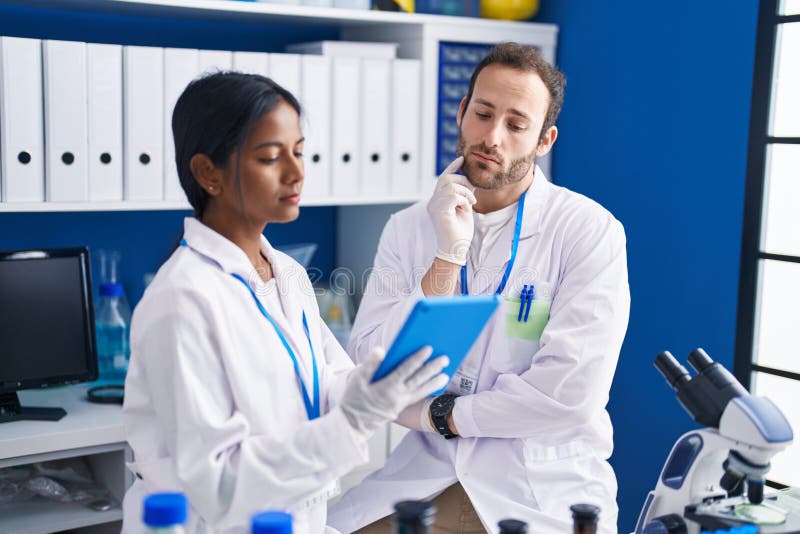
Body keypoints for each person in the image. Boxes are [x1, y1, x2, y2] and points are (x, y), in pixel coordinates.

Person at [121, 72, 450, 534]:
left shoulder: (287, 274)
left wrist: (376, 384)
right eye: (271, 157)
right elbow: (217, 484)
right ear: (207, 173)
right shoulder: (181, 300)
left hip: (292, 518)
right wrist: (352, 422)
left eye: (299, 151)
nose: (296, 173)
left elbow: (327, 381)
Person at [328, 43, 630, 533]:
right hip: (425, 477)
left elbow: (568, 394)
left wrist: (440, 415)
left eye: (516, 125)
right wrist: (446, 255)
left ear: (544, 140)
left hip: (537, 487)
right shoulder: (408, 228)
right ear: (462, 113)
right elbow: (371, 366)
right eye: (483, 114)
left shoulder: (588, 231)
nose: (492, 137)